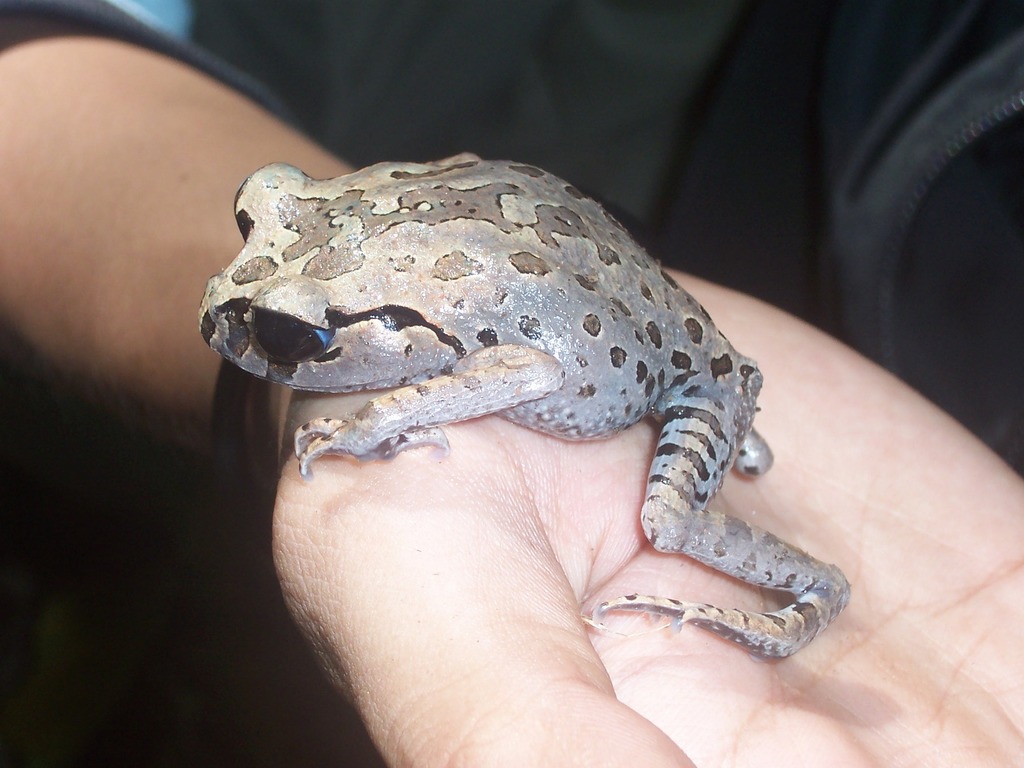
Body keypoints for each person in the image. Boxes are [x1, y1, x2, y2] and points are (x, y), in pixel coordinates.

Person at [1, 7, 1023, 767]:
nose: (227, 305)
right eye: (255, 223)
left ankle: (809, 590)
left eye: (292, 335)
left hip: (678, 373)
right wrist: (298, 392)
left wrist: (399, 408)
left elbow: (525, 365)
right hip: (654, 241)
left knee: (667, 520)